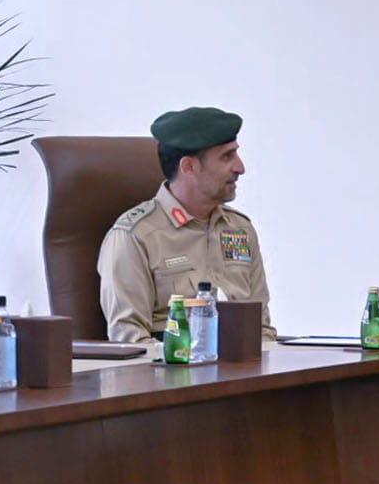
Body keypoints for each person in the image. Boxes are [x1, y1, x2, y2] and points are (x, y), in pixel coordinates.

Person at [101, 106, 275, 343]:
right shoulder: (135, 235)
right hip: (172, 361)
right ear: (188, 167)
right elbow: (129, 338)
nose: (240, 167)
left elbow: (261, 329)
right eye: (227, 157)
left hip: (241, 360)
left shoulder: (239, 229)